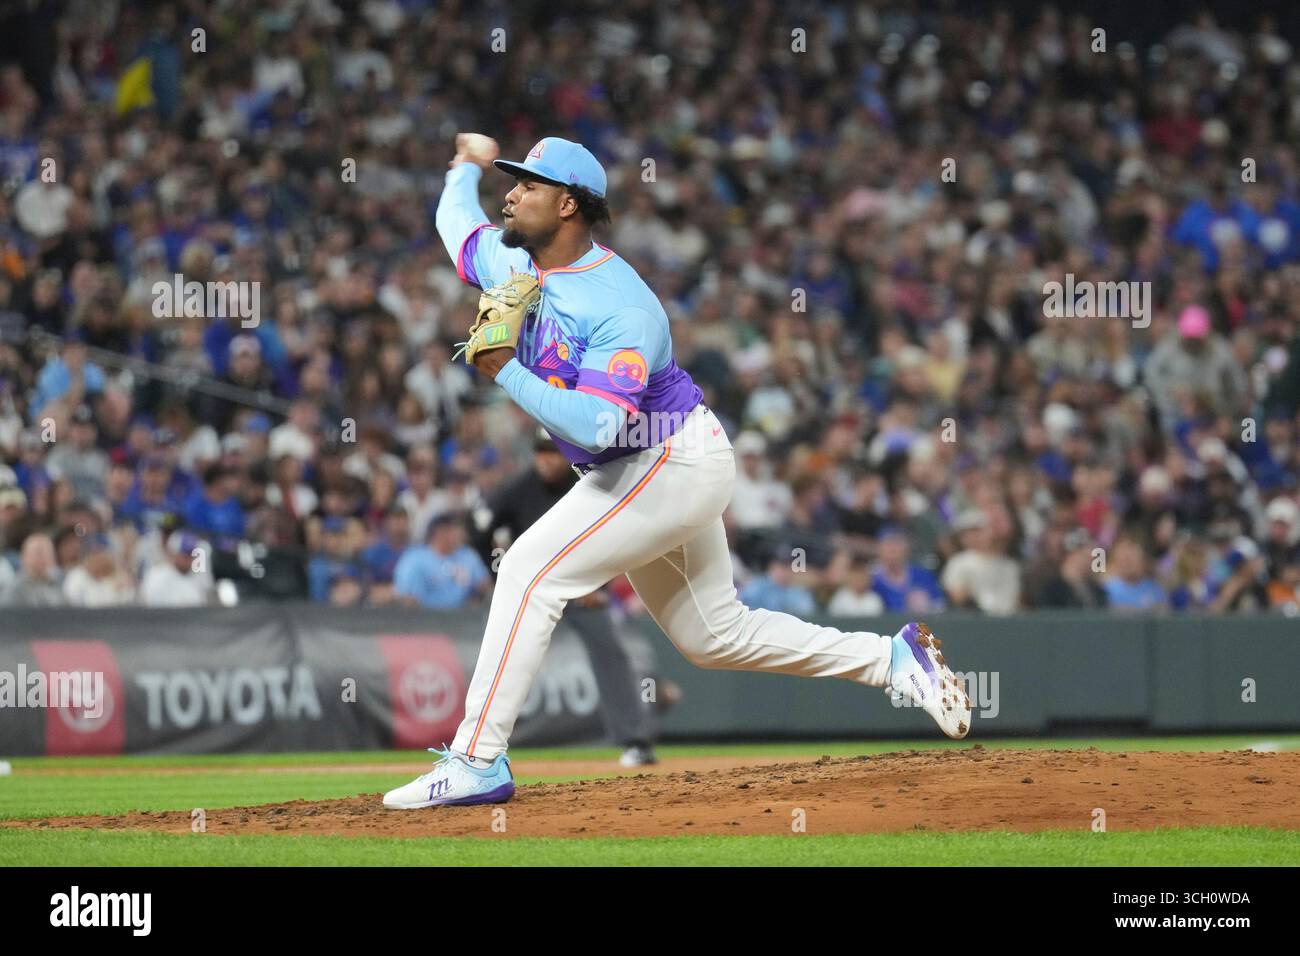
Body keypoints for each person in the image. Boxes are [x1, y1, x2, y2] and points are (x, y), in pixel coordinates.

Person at [382, 134, 971, 810]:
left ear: (568, 205)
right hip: (643, 462)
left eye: (527, 185)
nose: (509, 194)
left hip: (668, 456)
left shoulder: (619, 304)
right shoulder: (514, 261)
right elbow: (455, 227)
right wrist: (466, 165)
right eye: (510, 182)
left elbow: (599, 426)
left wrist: (504, 370)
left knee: (527, 572)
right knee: (713, 634)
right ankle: (894, 661)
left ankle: (479, 759)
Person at [474, 428, 660, 767]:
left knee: (612, 655)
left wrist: (598, 584)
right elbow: (478, 531)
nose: (547, 459)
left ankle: (635, 741)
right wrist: (499, 577)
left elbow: (612, 534)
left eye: (554, 451)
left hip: (581, 591)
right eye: (541, 452)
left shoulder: (586, 484)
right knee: (501, 654)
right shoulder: (516, 490)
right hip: (533, 592)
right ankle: (480, 748)